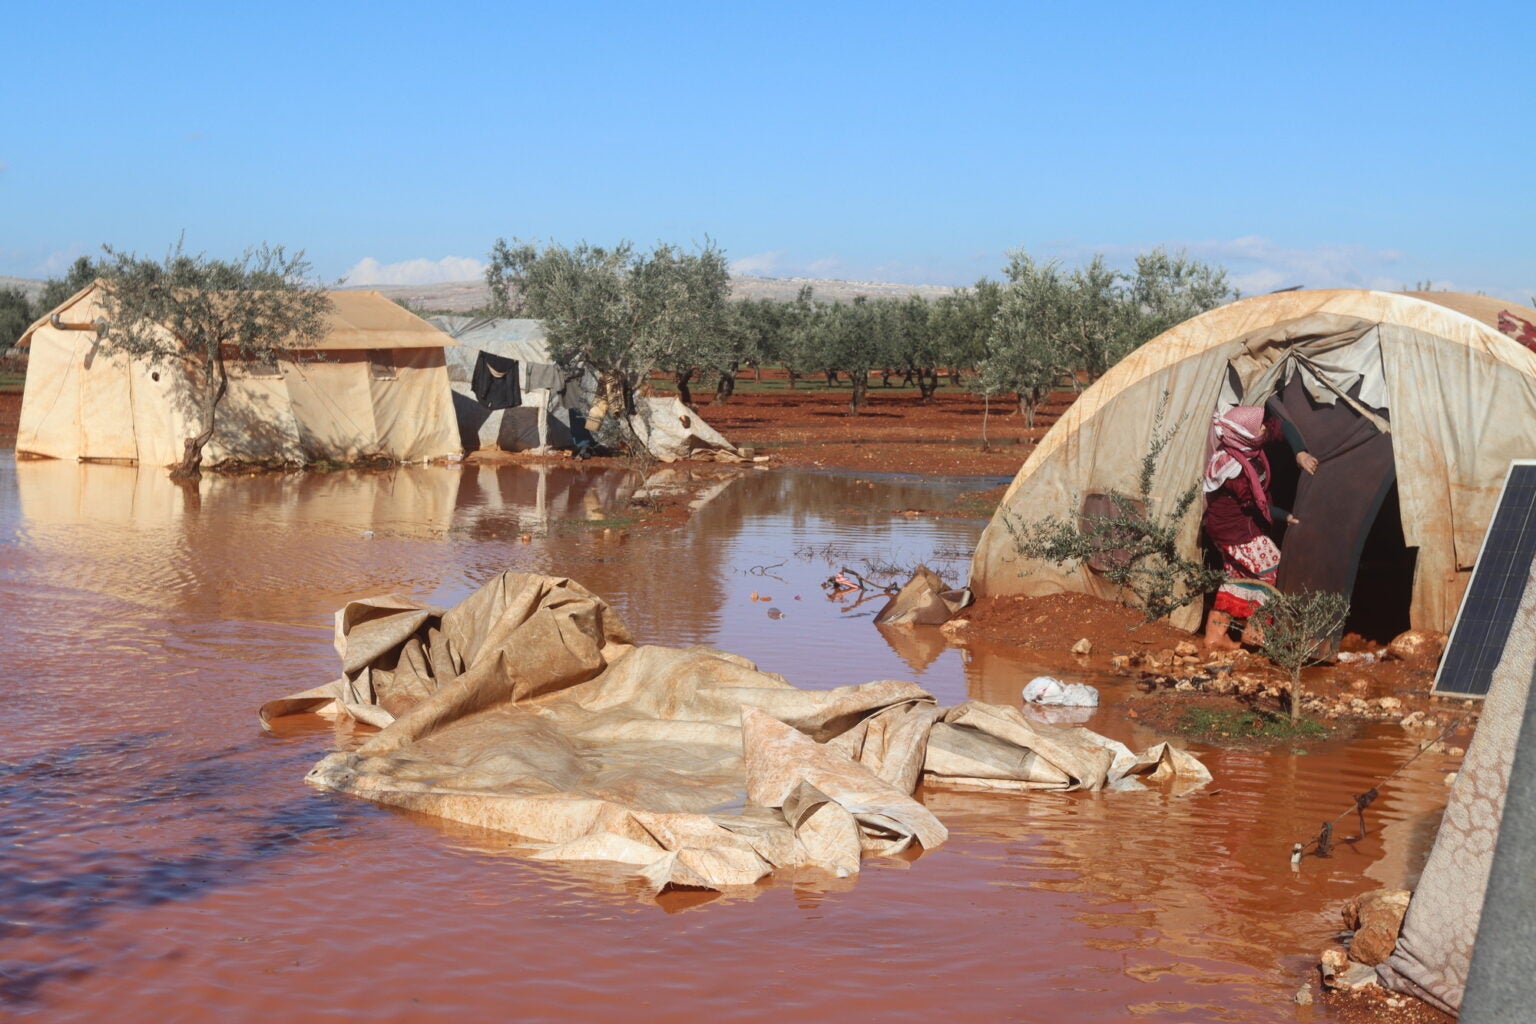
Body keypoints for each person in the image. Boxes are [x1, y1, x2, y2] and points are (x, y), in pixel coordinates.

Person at [1201, 405, 1318, 650]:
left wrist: (1300, 453)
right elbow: (1256, 504)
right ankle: (1256, 632)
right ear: (1246, 436)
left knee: (1236, 575)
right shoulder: (1233, 468)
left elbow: (1282, 426)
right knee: (1274, 568)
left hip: (1242, 525)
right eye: (1259, 428)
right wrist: (1285, 517)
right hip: (1233, 531)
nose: (1265, 428)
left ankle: (1215, 635)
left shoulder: (1248, 447)